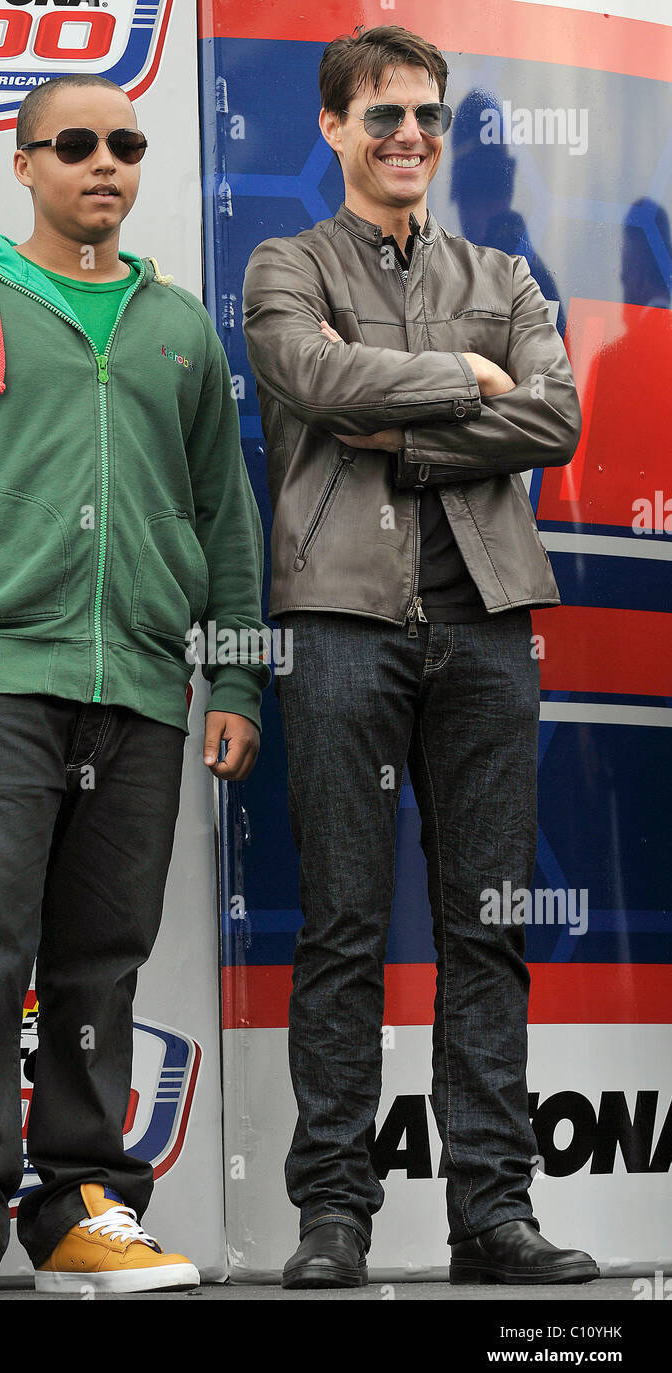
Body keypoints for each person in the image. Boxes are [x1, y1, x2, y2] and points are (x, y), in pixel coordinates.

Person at [0, 73, 268, 1296]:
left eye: (125, 143)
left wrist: (235, 680)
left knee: (101, 951)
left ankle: (84, 1197)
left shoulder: (179, 326)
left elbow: (223, 521)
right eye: (75, 142)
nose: (105, 161)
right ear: (24, 162)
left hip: (137, 685)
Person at [242, 24, 600, 1289]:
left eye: (428, 119)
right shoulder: (284, 262)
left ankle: (491, 1219)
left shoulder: (500, 267)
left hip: (488, 628)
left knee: (485, 929)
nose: (408, 139)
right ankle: (331, 1217)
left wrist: (397, 432)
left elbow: (551, 415)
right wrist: (458, 376)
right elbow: (304, 373)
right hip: (339, 624)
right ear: (333, 127)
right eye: (382, 116)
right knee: (340, 926)